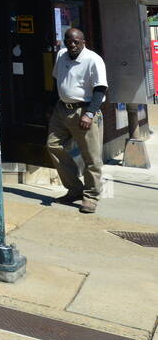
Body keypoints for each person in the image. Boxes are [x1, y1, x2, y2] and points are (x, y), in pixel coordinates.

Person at [47, 27, 108, 214]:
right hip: (62, 109)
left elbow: (100, 89)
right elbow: (57, 80)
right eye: (68, 41)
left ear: (83, 42)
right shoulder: (61, 55)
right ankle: (74, 189)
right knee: (52, 145)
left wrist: (90, 114)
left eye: (76, 42)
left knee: (91, 157)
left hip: (85, 109)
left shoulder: (93, 59)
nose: (72, 45)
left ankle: (90, 197)